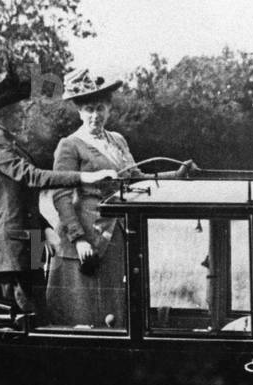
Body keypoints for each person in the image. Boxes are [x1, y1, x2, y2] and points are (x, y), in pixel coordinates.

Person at [45, 69, 195, 327]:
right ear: (79, 112)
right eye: (89, 109)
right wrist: (78, 238)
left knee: (112, 311)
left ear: (109, 109)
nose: (95, 115)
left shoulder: (117, 140)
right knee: (82, 311)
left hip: (115, 234)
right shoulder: (70, 144)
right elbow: (60, 195)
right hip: (84, 238)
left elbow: (136, 178)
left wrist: (176, 175)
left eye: (100, 108)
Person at [0, 68, 89, 315]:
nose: (24, 114)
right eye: (17, 110)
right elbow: (33, 177)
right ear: (0, 116)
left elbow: (24, 201)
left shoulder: (14, 146)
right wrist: (84, 177)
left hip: (29, 248)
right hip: (8, 257)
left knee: (40, 318)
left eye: (23, 108)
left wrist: (46, 230)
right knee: (21, 326)